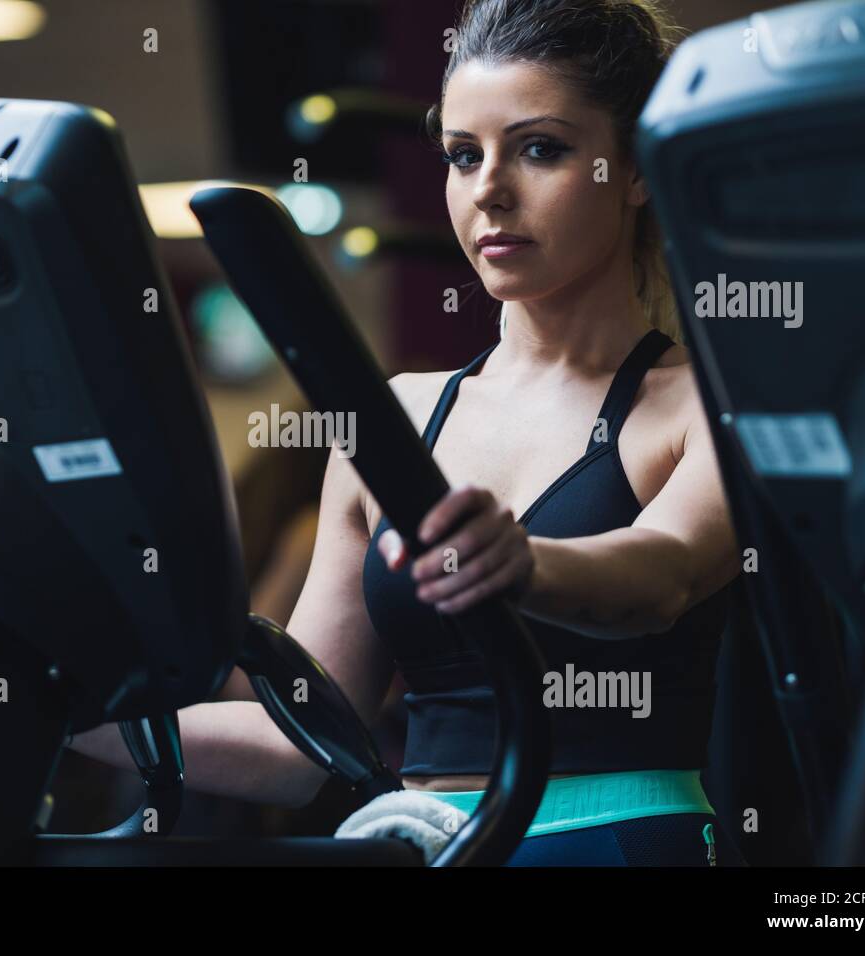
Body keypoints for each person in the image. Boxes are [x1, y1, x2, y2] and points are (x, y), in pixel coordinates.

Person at [71, 0, 745, 866]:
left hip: (618, 842)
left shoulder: (700, 406)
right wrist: (70, 715)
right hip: (426, 848)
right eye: (464, 156)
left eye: (541, 148)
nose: (488, 189)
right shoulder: (390, 420)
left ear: (635, 169)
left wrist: (522, 565)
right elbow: (310, 740)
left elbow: (662, 575)